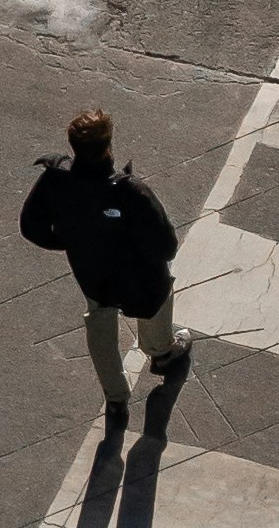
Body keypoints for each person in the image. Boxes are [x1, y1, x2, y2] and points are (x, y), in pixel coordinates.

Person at [21, 109, 189, 431]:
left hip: (93, 273)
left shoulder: (55, 180)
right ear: (108, 145)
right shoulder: (132, 192)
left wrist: (71, 242)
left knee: (99, 320)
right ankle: (161, 352)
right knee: (157, 299)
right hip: (140, 279)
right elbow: (166, 246)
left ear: (72, 147)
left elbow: (31, 227)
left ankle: (114, 396)